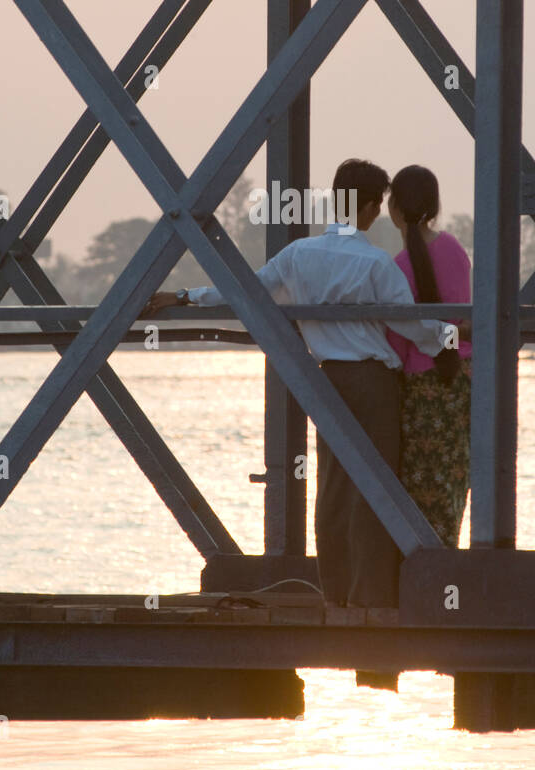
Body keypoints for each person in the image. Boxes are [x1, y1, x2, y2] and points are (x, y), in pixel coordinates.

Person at [139, 160, 456, 660]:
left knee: (331, 488)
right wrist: (454, 334)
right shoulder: (373, 265)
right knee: (376, 491)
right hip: (373, 381)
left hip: (325, 381)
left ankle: (336, 595)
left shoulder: (299, 255)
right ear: (372, 207)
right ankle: (372, 600)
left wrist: (184, 296)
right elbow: (413, 326)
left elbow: (244, 292)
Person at [386, 165, 472, 548]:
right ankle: (448, 567)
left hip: (420, 388)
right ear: (435, 206)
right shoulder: (453, 249)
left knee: (417, 487)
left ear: (394, 209)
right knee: (452, 481)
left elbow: (398, 343)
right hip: (461, 379)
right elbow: (464, 317)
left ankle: (423, 570)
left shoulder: (396, 269)